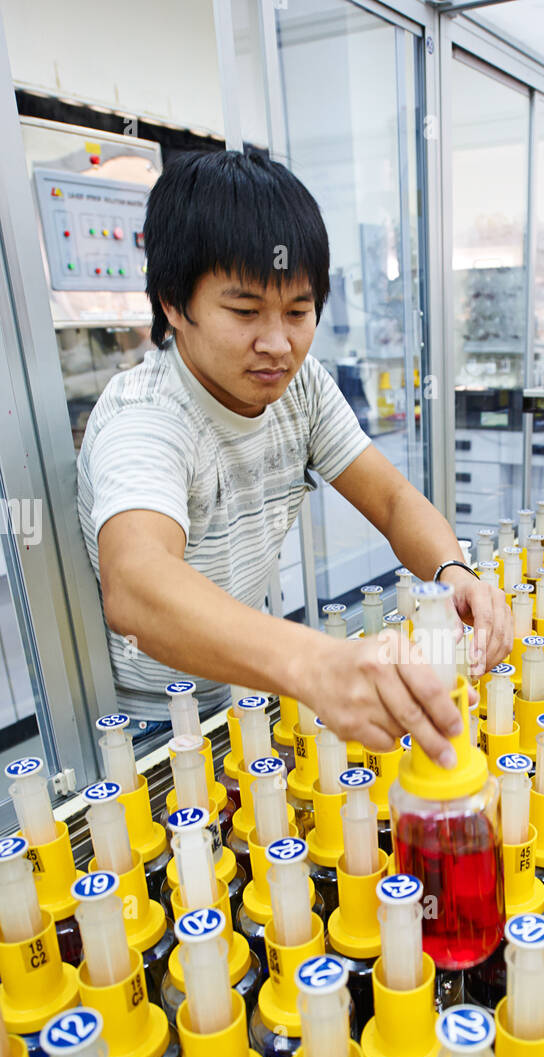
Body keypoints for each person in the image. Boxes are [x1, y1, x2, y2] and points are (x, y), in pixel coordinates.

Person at [76, 151, 513, 766]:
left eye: (299, 312)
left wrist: (454, 572)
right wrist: (314, 661)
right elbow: (136, 584)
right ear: (174, 304)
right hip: (156, 730)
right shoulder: (147, 417)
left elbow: (390, 501)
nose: (278, 344)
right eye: (246, 312)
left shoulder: (301, 386)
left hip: (256, 690)